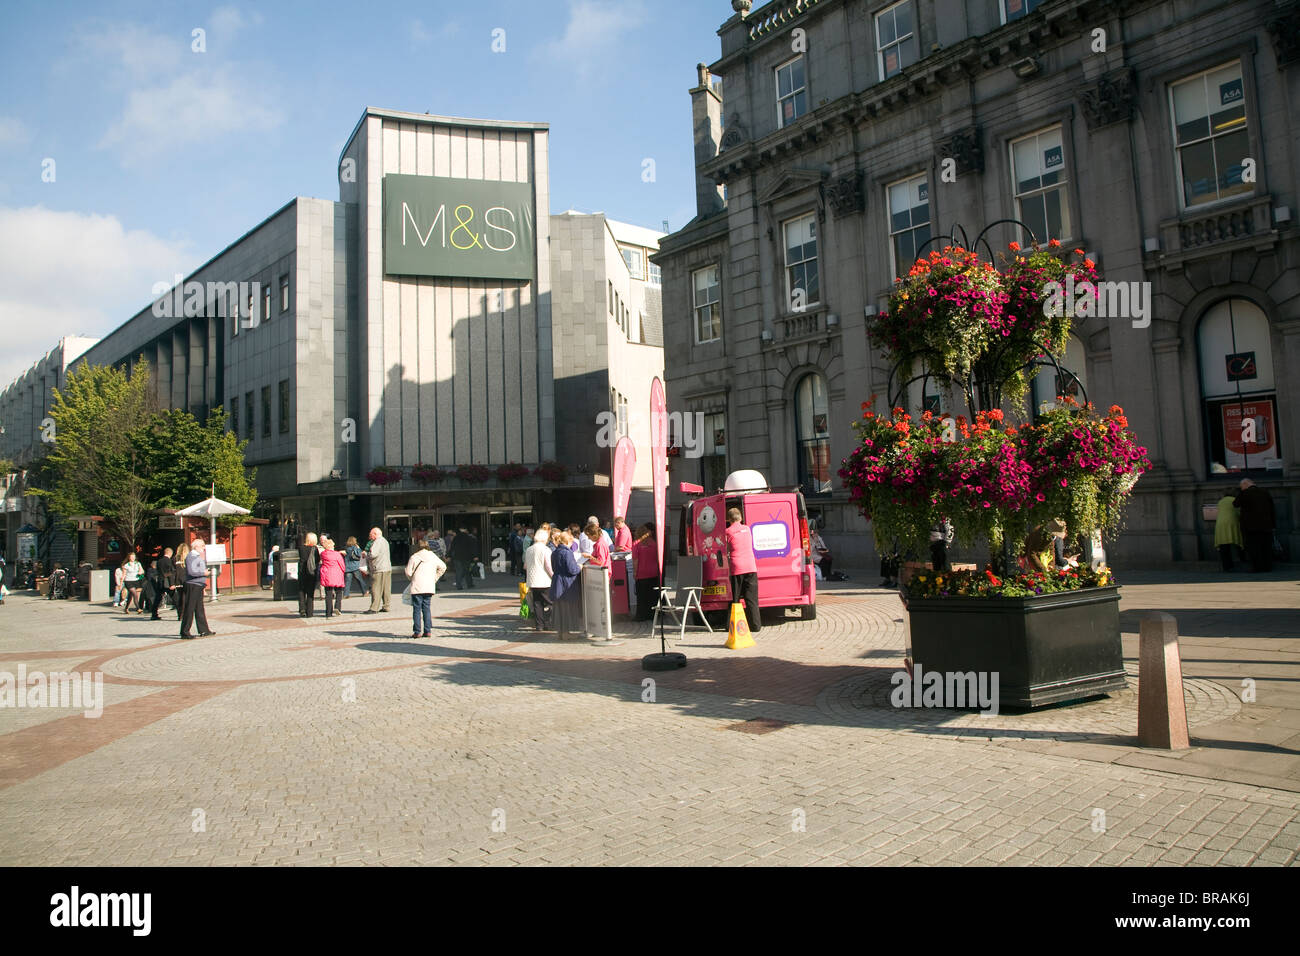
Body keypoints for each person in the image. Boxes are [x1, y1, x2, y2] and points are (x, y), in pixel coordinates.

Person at [725, 508, 761, 633]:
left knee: (734, 599)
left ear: (728, 520)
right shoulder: (747, 529)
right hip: (751, 566)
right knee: (751, 598)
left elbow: (725, 548)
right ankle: (755, 625)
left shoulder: (728, 532)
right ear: (740, 518)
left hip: (737, 567)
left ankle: (731, 625)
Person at [405, 539, 446, 638]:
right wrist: (435, 577)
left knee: (417, 609)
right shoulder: (433, 556)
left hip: (417, 586)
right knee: (426, 608)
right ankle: (427, 631)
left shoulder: (414, 557)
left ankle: (417, 631)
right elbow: (443, 567)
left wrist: (412, 578)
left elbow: (408, 572)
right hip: (429, 586)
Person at [1236, 479, 1276, 573]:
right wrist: (1273, 524)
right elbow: (1272, 509)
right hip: (1266, 525)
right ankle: (1267, 567)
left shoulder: (1245, 493)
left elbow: (1236, 504)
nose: (1241, 488)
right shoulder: (1265, 492)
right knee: (1266, 547)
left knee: (1254, 548)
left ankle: (1257, 567)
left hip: (1250, 526)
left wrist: (1241, 492)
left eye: (1241, 487)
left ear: (1245, 485)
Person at [549, 531, 583, 640]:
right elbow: (572, 569)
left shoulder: (555, 551)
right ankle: (565, 633)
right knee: (567, 609)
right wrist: (579, 567)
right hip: (566, 584)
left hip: (557, 582)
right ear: (568, 541)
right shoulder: (567, 552)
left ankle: (561, 632)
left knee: (560, 608)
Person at [180, 537, 214, 639]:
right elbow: (191, 572)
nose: (204, 547)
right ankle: (185, 632)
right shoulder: (192, 556)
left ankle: (204, 630)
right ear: (196, 546)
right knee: (190, 608)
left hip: (198, 584)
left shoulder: (197, 556)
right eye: (202, 545)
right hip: (193, 584)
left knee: (199, 608)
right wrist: (203, 573)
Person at [523, 529, 554, 630]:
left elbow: (525, 566)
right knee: (549, 602)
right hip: (544, 580)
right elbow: (548, 566)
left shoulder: (529, 549)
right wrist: (553, 576)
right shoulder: (546, 550)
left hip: (533, 580)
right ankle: (548, 623)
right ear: (545, 538)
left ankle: (539, 625)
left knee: (537, 603)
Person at [632, 523, 660, 621]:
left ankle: (641, 616)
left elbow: (635, 561)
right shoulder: (653, 543)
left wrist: (635, 573)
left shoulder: (636, 544)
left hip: (642, 573)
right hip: (653, 573)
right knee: (652, 596)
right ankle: (652, 615)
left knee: (641, 597)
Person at [1214, 490, 1245, 572]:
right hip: (1233, 522)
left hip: (1220, 524)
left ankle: (1227, 566)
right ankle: (1243, 561)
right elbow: (1239, 512)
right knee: (1238, 543)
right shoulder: (1235, 500)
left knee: (1224, 546)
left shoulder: (1220, 501)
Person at [366, 527, 393, 612]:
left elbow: (373, 554)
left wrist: (366, 555)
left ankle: (374, 608)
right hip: (387, 567)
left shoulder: (377, 542)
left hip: (379, 568)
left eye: (371, 534)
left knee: (376, 588)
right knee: (386, 588)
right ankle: (386, 606)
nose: (370, 536)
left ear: (375, 534)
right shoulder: (385, 541)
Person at [319, 536, 346, 618]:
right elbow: (342, 565)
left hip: (327, 575)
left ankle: (328, 613)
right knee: (338, 592)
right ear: (332, 546)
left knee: (328, 594)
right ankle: (337, 607)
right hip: (336, 575)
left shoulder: (323, 554)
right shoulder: (337, 554)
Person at [450, 526, 480, 590]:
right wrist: (475, 556)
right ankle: (469, 584)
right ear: (466, 530)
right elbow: (473, 548)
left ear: (460, 530)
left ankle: (459, 585)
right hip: (466, 557)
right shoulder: (469, 537)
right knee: (467, 571)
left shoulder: (456, 538)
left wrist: (449, 556)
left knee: (458, 571)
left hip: (457, 557)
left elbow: (452, 547)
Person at [298, 532, 321, 618]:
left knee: (301, 590)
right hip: (312, 572)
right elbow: (317, 560)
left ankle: (302, 609)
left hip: (302, 572)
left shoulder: (301, 548)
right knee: (310, 592)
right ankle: (310, 612)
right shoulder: (315, 549)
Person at [171, 543, 189, 620]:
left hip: (178, 581)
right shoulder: (188, 558)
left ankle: (180, 614)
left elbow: (173, 571)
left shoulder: (175, 559)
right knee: (185, 598)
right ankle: (185, 614)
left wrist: (173, 582)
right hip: (186, 580)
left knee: (180, 598)